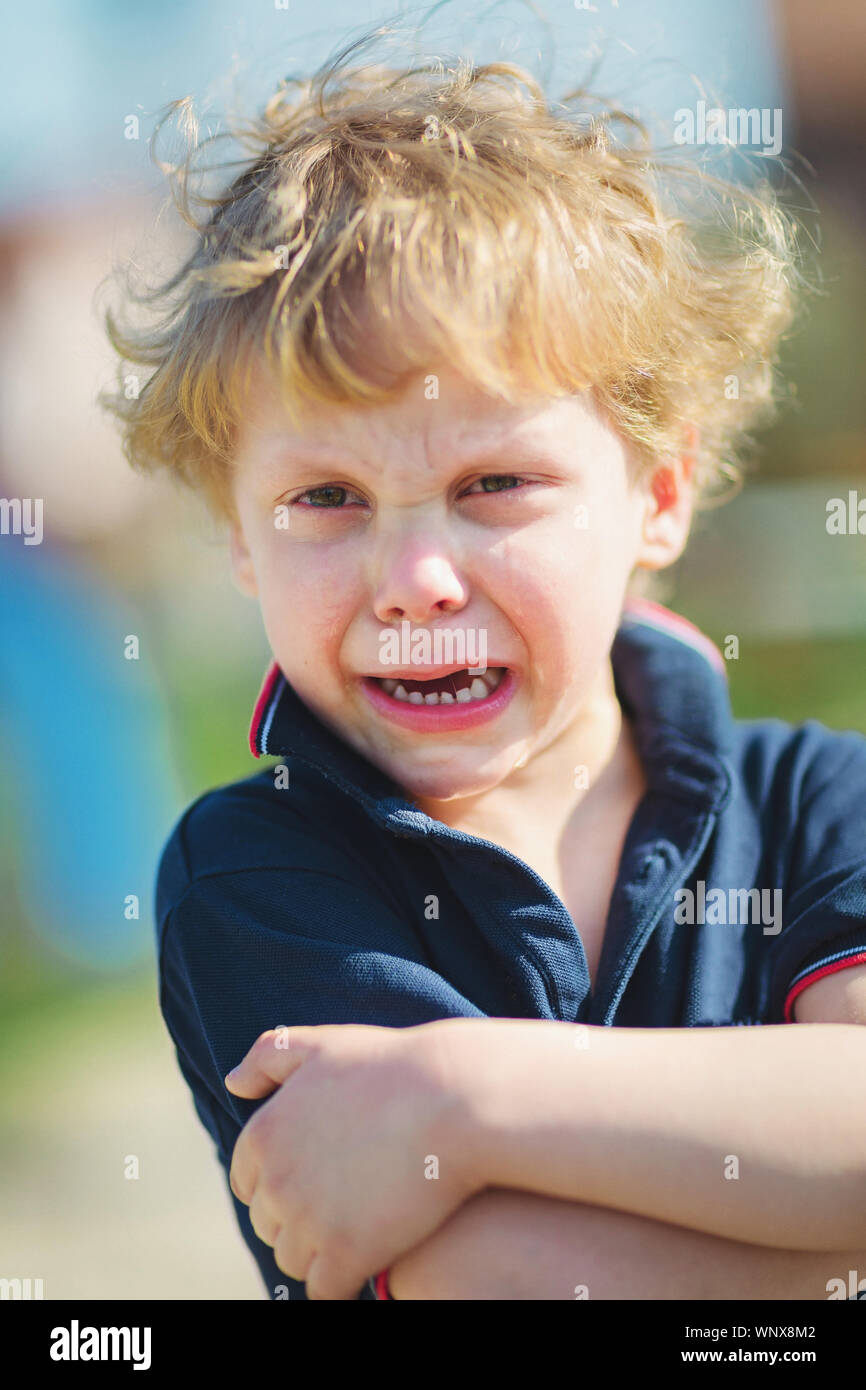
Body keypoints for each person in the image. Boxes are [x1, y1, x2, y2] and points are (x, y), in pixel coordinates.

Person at [101, 27, 866, 1301]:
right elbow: (500, 1278)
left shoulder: (814, 801)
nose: (415, 580)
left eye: (491, 483)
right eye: (327, 496)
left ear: (659, 495)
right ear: (239, 536)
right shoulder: (257, 869)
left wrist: (472, 1091)